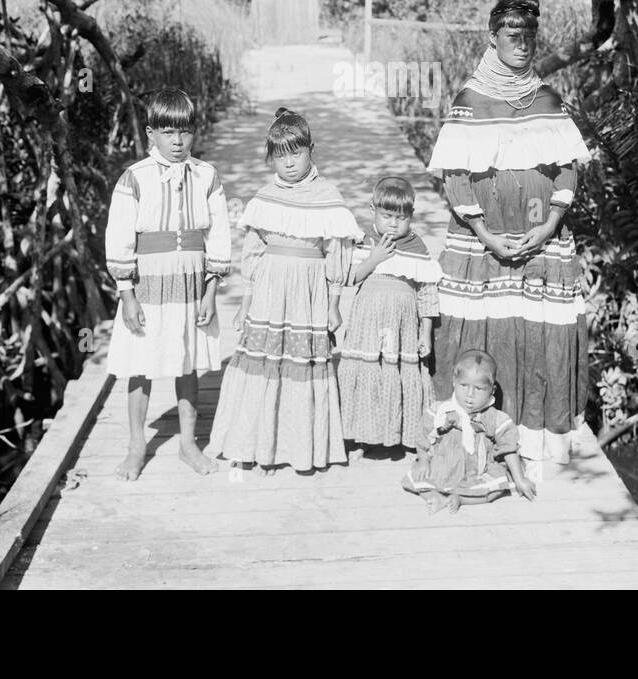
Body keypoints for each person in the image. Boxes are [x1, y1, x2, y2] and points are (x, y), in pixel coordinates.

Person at [427, 0, 593, 465]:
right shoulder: (471, 100)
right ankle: (470, 433)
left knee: (536, 331)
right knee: (482, 328)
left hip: (540, 242)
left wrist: (549, 226)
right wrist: (485, 234)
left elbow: (566, 168)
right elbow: (457, 176)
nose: (522, 44)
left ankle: (533, 435)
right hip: (485, 245)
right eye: (512, 35)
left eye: (530, 36)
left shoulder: (546, 98)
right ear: (493, 37)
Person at [206, 107, 361, 472]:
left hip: (308, 293)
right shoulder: (264, 197)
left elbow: (336, 253)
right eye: (280, 156)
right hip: (269, 292)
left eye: (296, 153)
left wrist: (334, 303)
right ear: (270, 159)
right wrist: (245, 303)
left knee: (300, 361)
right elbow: (254, 254)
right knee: (266, 360)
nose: (289, 164)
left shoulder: (328, 196)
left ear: (311, 149)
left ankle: (300, 446)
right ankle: (256, 443)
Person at [104, 88, 231, 479]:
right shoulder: (134, 178)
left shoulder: (207, 176)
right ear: (150, 134)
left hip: (193, 282)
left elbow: (219, 236)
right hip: (147, 283)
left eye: (185, 132)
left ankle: (189, 444)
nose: (177, 142)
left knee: (188, 361)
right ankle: (136, 445)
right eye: (167, 132)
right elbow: (119, 236)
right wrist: (127, 295)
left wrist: (211, 290)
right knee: (139, 365)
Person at [337, 175, 441, 453]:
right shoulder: (365, 242)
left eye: (401, 217)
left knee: (398, 374)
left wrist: (426, 332)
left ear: (411, 216)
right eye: (386, 216)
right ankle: (361, 435)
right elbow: (350, 277)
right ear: (373, 212)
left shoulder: (418, 249)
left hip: (403, 324)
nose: (394, 223)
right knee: (368, 373)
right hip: (368, 322)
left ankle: (403, 434)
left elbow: (428, 293)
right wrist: (374, 258)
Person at [402, 349, 537, 513]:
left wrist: (520, 479)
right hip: (443, 467)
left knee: (497, 489)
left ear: (492, 390)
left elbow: (508, 448)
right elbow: (424, 438)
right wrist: (423, 459)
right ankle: (434, 497)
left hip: (477, 471)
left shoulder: (493, 417)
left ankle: (461, 499)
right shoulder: (441, 410)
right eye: (464, 386)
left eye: (479, 389)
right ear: (454, 381)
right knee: (416, 478)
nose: (469, 395)